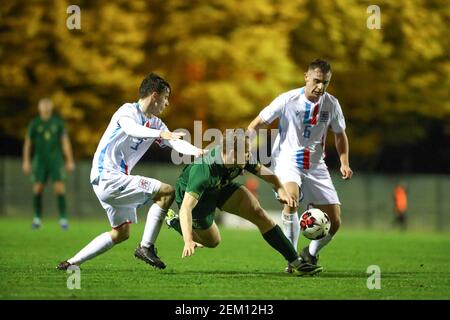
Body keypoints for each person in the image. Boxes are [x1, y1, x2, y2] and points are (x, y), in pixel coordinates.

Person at [57, 73, 204, 271]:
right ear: (154, 96)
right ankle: (146, 247)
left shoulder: (156, 123)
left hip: (109, 181)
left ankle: (71, 263)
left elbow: (174, 142)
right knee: (166, 191)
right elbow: (131, 129)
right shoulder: (127, 111)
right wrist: (160, 134)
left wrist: (198, 152)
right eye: (166, 97)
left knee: (121, 233)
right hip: (108, 176)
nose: (167, 103)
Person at [247, 58, 353, 274]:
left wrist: (344, 162)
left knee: (335, 221)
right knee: (291, 199)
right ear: (306, 77)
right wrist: (247, 145)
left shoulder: (331, 104)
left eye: (325, 83)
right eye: (316, 81)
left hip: (316, 165)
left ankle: (310, 254)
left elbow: (340, 134)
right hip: (287, 160)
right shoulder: (288, 100)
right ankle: (292, 258)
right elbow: (258, 122)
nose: (320, 87)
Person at [166, 129, 321, 275]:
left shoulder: (241, 157)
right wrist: (187, 240)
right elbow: (186, 207)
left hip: (222, 186)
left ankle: (295, 261)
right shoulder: (204, 170)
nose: (248, 156)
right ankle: (175, 222)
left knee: (259, 214)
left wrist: (281, 191)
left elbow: (269, 176)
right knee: (213, 241)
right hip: (199, 199)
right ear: (233, 153)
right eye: (246, 153)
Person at [23, 98, 75, 230]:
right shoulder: (35, 123)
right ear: (39, 108)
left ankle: (63, 219)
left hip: (55, 160)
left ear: (51, 108)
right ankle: (37, 219)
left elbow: (65, 142)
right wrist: (26, 161)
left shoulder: (57, 123)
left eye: (48, 105)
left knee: (59, 188)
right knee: (38, 188)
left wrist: (69, 160)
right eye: (43, 105)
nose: (45, 107)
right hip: (39, 161)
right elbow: (28, 144)